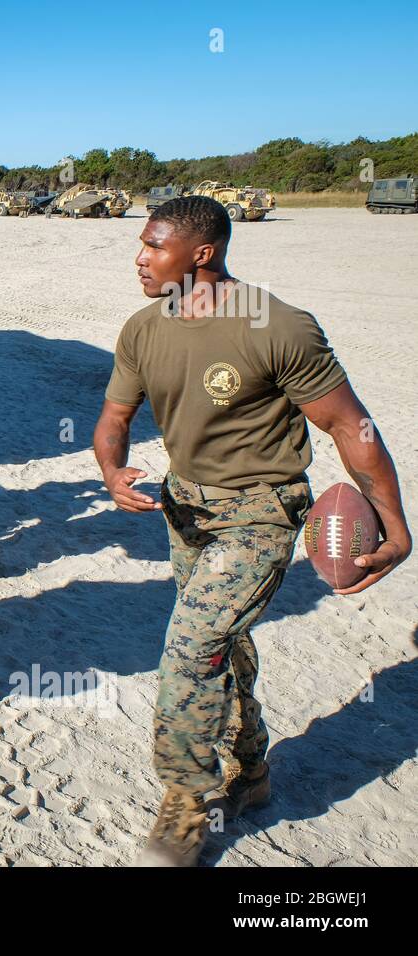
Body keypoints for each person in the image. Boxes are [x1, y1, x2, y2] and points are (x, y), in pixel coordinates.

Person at [92, 196, 411, 866]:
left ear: (201, 254)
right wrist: (112, 468)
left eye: (154, 246)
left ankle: (185, 799)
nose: (140, 258)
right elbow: (115, 415)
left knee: (191, 644)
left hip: (261, 512)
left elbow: (349, 425)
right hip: (186, 511)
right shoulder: (143, 329)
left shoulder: (278, 326)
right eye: (142, 246)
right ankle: (251, 770)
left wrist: (393, 520)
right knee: (224, 645)